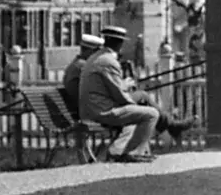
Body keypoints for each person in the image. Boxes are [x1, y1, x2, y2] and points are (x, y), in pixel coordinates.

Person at [61, 28, 160, 162]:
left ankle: (123, 150)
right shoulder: (108, 61)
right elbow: (119, 94)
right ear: (120, 44)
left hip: (92, 109)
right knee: (152, 114)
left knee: (140, 111)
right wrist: (133, 104)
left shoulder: (95, 58)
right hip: (101, 111)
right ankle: (132, 153)